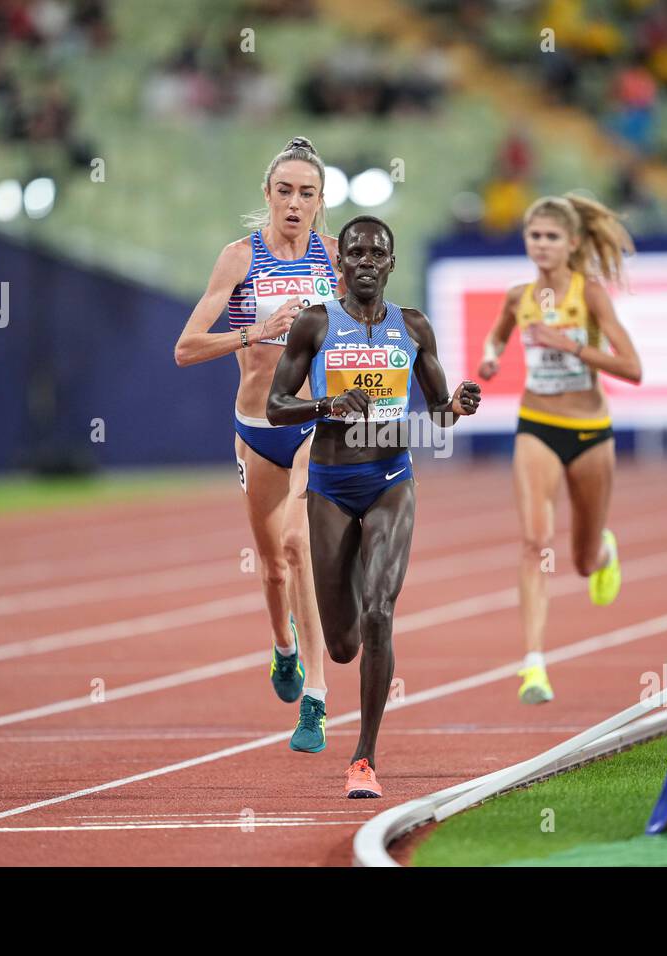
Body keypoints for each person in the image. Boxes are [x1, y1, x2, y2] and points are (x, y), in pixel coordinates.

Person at [267, 215, 481, 797]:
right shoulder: (316, 324)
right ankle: (344, 595)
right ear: (340, 263)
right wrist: (328, 405)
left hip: (391, 481)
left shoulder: (412, 328)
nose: (365, 260)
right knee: (342, 646)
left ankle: (363, 758)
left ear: (391, 262)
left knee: (380, 612)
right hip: (331, 486)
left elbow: (438, 411)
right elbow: (277, 404)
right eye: (354, 251)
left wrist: (458, 403)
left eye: (376, 252)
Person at [173, 137, 336, 752]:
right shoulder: (240, 258)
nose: (295, 203)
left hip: (313, 424)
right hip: (257, 430)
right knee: (273, 567)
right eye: (285, 191)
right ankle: (284, 649)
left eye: (307, 194)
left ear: (321, 204)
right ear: (267, 196)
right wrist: (253, 333)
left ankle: (316, 702)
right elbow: (186, 349)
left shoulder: (334, 263)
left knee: (299, 547)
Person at [477, 193, 642, 705]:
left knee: (583, 560)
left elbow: (633, 368)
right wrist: (489, 360)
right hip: (537, 426)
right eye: (534, 236)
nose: (542, 244)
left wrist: (569, 344)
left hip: (591, 432)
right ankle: (533, 665)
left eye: (551, 236)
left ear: (572, 243)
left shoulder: (590, 293)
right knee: (533, 541)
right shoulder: (516, 296)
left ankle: (604, 551)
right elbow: (496, 338)